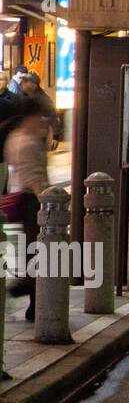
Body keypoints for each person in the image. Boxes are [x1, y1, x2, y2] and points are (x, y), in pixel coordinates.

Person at [5, 104, 49, 320]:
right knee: (37, 252)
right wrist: (49, 202)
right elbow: (34, 178)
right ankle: (20, 289)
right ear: (30, 118)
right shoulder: (28, 142)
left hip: (23, 199)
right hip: (31, 200)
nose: (42, 121)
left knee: (33, 251)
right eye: (39, 117)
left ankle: (33, 301)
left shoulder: (15, 138)